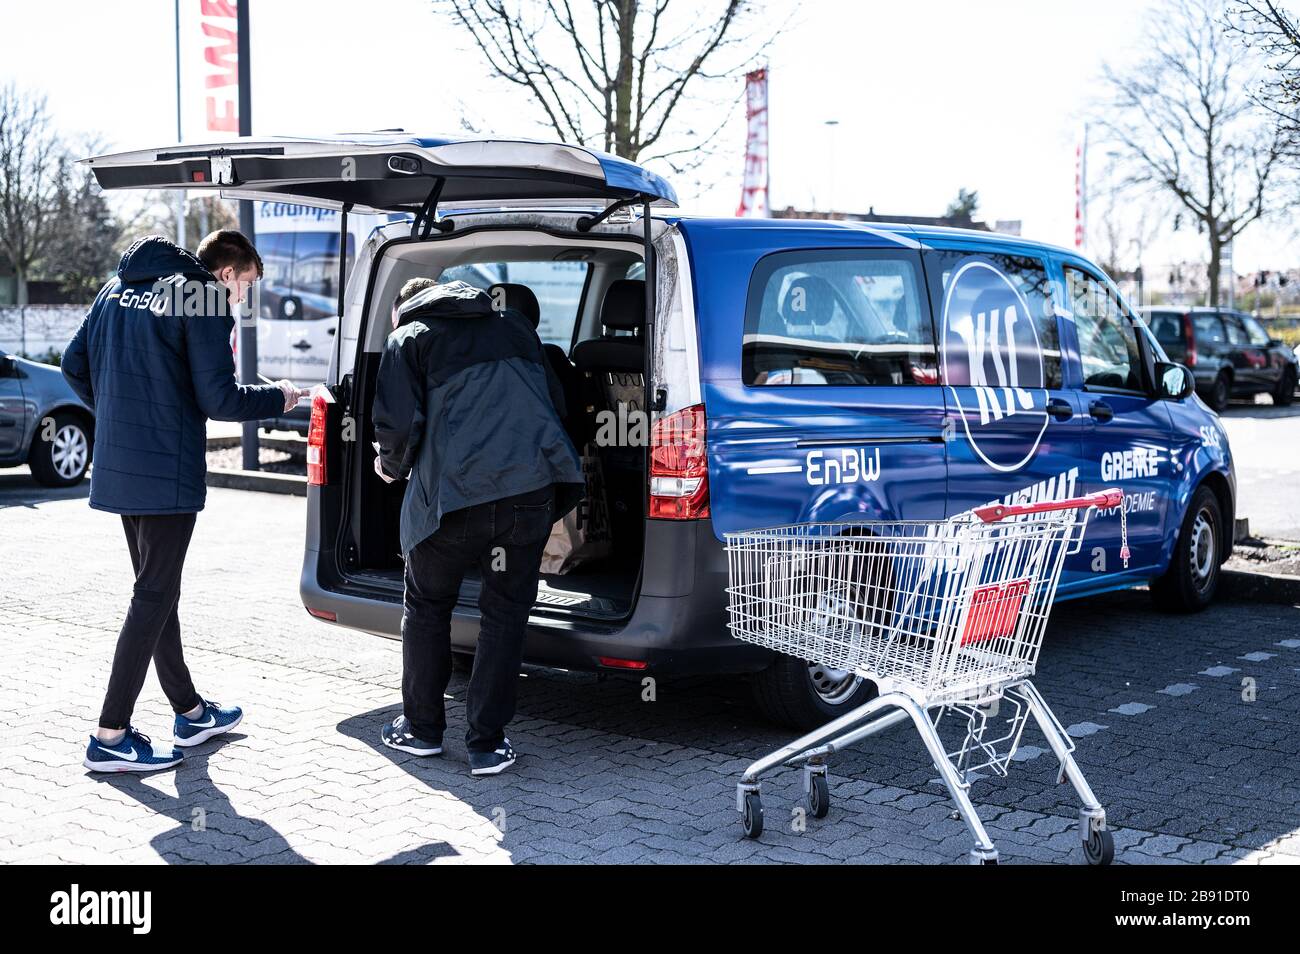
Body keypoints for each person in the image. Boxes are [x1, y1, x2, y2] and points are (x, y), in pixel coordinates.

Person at [62, 230, 300, 773]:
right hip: (164, 468)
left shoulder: (114, 288)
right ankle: (110, 735)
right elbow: (219, 399)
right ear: (226, 274)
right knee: (152, 594)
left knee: (155, 589)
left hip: (123, 464)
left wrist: (126, 416)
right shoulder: (205, 298)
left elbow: (75, 367)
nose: (243, 299)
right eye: (247, 287)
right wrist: (280, 395)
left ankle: (190, 712)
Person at [372, 279, 583, 775]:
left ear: (405, 307)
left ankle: (421, 731)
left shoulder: (408, 338)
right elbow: (555, 406)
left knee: (426, 607)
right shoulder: (516, 327)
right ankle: (487, 745)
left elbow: (399, 427)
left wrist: (390, 464)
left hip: (452, 503)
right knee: (505, 614)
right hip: (527, 496)